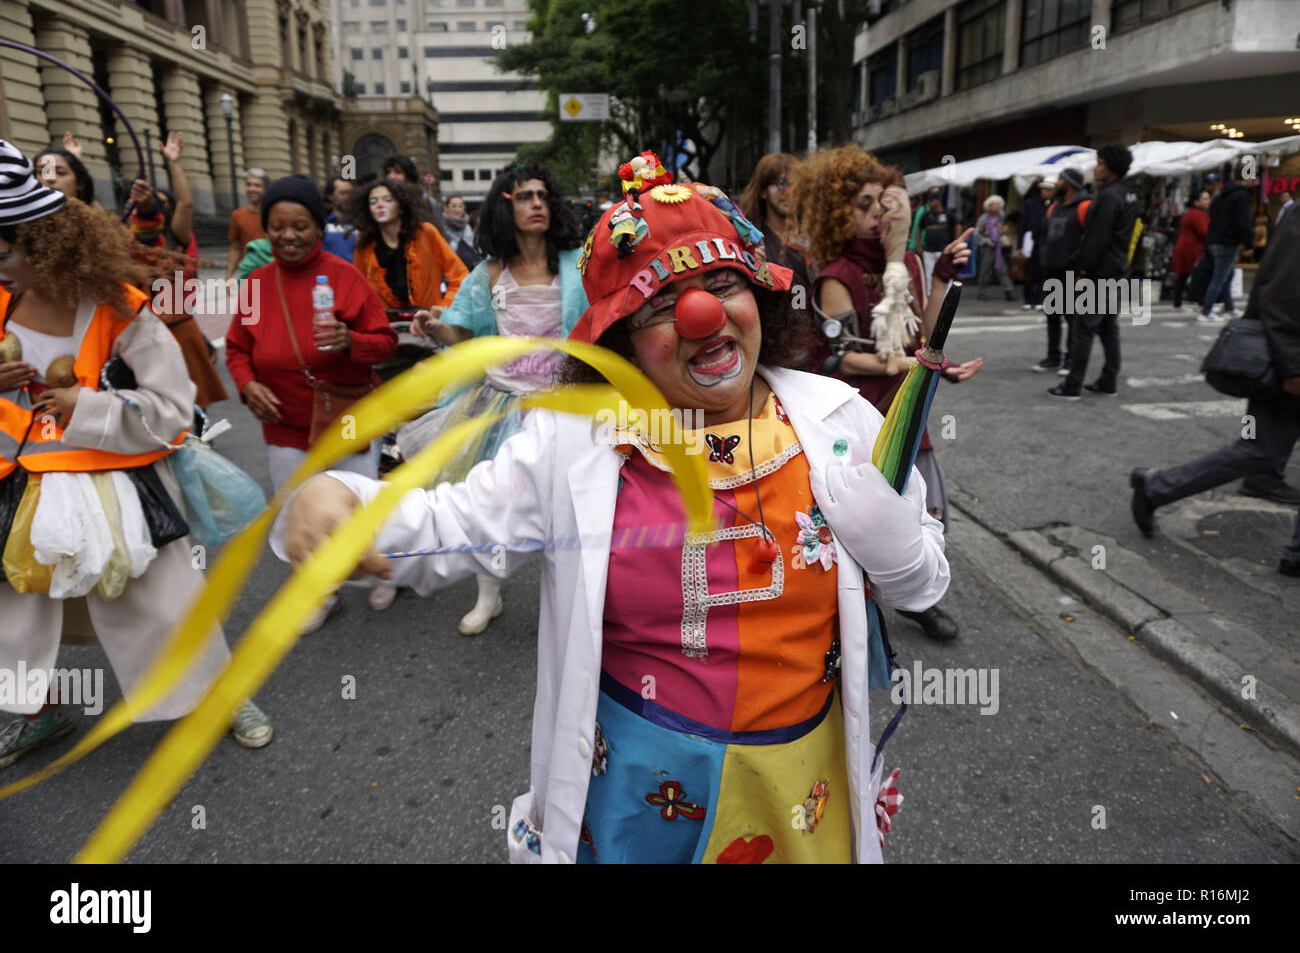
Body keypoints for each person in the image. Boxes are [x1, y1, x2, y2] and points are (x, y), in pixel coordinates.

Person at [275, 148, 951, 864]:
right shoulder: (574, 442)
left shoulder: (837, 421)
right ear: (621, 341)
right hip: (640, 782)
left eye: (725, 284)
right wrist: (347, 502)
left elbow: (924, 586)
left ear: (761, 296)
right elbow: (455, 528)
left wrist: (895, 544)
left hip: (799, 778)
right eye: (661, 304)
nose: (702, 314)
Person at [0, 139, 270, 766]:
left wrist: (88, 409)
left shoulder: (122, 310)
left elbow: (173, 410)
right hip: (18, 490)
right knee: (13, 613)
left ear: (45, 241)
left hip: (120, 489)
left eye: (5, 247)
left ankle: (221, 693)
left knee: (166, 602)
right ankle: (35, 712)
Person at [789, 143, 980, 643]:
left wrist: (940, 284)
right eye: (862, 205)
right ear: (837, 214)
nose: (878, 213)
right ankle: (857, 606)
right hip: (863, 416)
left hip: (908, 407)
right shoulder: (837, 275)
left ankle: (919, 597)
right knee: (864, 523)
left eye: (881, 202)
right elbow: (834, 358)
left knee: (924, 512)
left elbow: (928, 338)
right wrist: (893, 362)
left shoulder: (911, 263)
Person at [400, 159, 587, 635]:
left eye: (543, 196)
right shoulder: (489, 274)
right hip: (499, 406)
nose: (537, 204)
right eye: (525, 197)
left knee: (564, 506)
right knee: (493, 505)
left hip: (563, 408)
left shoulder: (576, 265)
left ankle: (566, 601)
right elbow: (462, 335)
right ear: (507, 207)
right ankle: (489, 596)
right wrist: (435, 327)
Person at [224, 175, 397, 631]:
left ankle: (384, 570)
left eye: (299, 226)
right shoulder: (257, 285)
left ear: (318, 229)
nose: (287, 236)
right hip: (284, 423)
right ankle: (320, 591)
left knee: (358, 502)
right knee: (296, 509)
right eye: (277, 226)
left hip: (346, 418)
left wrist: (350, 341)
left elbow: (385, 343)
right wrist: (246, 385)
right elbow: (237, 349)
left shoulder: (346, 278)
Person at [1130, 203, 1300, 567]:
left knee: (1259, 449)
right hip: (1292, 361)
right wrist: (1292, 366)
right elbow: (1283, 292)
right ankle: (1155, 487)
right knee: (1258, 449)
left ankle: (1157, 487)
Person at [123, 132, 229, 409]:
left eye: (159, 204)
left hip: (179, 331)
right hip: (141, 336)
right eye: (144, 203)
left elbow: (186, 204)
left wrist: (173, 162)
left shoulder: (175, 239)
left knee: (194, 409)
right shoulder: (130, 243)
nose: (151, 207)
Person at [1049, 143, 1137, 400]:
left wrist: (1083, 271)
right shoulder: (1128, 193)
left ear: (1111, 167)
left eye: (1099, 163)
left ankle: (1072, 385)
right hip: (1116, 269)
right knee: (1109, 328)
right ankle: (1108, 380)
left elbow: (1097, 239)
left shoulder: (1109, 196)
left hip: (1099, 273)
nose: (1095, 168)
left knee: (1083, 329)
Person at [351, 179, 469, 321]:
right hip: (386, 331)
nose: (380, 205)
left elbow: (461, 277)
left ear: (401, 206)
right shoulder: (364, 246)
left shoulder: (426, 233)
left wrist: (443, 306)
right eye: (373, 202)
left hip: (429, 327)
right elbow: (358, 291)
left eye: (387, 200)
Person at [1038, 168, 1091, 373]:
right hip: (1052, 267)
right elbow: (1045, 235)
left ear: (1069, 183)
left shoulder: (1085, 206)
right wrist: (1044, 255)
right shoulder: (1054, 207)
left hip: (1073, 271)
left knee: (1072, 317)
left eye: (1060, 179)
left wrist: (1081, 269)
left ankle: (1070, 360)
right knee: (1052, 314)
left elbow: (1089, 239)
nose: (1056, 183)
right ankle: (1053, 356)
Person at [737, 153, 811, 292]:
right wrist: (750, 266)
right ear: (763, 191)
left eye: (795, 184)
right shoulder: (752, 241)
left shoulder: (815, 233)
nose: (790, 192)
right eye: (782, 184)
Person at [1198, 163, 1253, 324]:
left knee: (1227, 275)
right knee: (1220, 276)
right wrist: (1248, 243)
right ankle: (1206, 310)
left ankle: (1229, 307)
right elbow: (1243, 222)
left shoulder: (1220, 195)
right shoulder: (1241, 195)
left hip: (1215, 240)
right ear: (1247, 177)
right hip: (1227, 241)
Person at [383, 154, 446, 235]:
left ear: (409, 176)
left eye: (397, 172)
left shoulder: (425, 200)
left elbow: (439, 233)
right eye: (388, 172)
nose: (391, 176)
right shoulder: (381, 199)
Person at [1170, 191, 1211, 312]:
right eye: (1204, 199)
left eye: (1208, 198)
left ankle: (1178, 304)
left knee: (1183, 276)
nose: (1208, 201)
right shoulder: (1197, 215)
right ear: (1196, 202)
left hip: (1187, 248)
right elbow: (1204, 232)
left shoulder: (1193, 213)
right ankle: (1201, 303)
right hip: (1192, 249)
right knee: (1200, 276)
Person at [225, 169, 269, 279]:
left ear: (266, 189)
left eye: (257, 185)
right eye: (249, 184)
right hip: (249, 275)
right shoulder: (237, 215)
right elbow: (236, 247)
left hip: (272, 273)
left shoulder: (275, 214)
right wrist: (229, 275)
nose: (251, 189)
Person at [35, 132, 97, 207]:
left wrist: (76, 159)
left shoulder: (95, 217)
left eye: (60, 172)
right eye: (42, 172)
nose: (49, 178)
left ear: (80, 183)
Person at [1020, 179, 1053, 310]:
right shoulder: (1031, 203)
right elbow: (1024, 223)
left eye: (1050, 189)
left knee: (1043, 272)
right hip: (1031, 241)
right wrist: (1021, 245)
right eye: (1045, 189)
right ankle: (1028, 299)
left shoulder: (1055, 204)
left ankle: (1040, 299)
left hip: (1046, 242)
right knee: (1029, 272)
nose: (1047, 192)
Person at [974, 195, 1014, 302]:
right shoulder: (983, 218)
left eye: (997, 204)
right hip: (987, 246)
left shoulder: (1001, 217)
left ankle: (1008, 291)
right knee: (985, 270)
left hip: (998, 247)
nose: (995, 207)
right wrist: (985, 241)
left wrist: (1004, 231)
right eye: (993, 205)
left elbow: (1003, 229)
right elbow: (977, 233)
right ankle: (982, 292)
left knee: (1002, 269)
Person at [915, 188, 956, 286]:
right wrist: (918, 246)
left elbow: (957, 225)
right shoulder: (926, 215)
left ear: (937, 201)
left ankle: (948, 294)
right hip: (928, 250)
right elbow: (919, 230)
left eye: (931, 201)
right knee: (929, 274)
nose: (929, 204)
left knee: (946, 272)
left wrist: (956, 242)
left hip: (944, 249)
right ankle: (930, 294)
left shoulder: (947, 214)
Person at [441, 194, 482, 272]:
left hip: (468, 270)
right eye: (454, 206)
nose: (457, 210)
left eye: (460, 206)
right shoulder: (441, 226)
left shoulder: (467, 227)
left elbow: (473, 248)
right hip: (449, 271)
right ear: (445, 208)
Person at [321, 176, 357, 263]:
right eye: (343, 193)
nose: (348, 197)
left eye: (351, 193)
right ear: (330, 196)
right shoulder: (321, 224)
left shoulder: (361, 224)